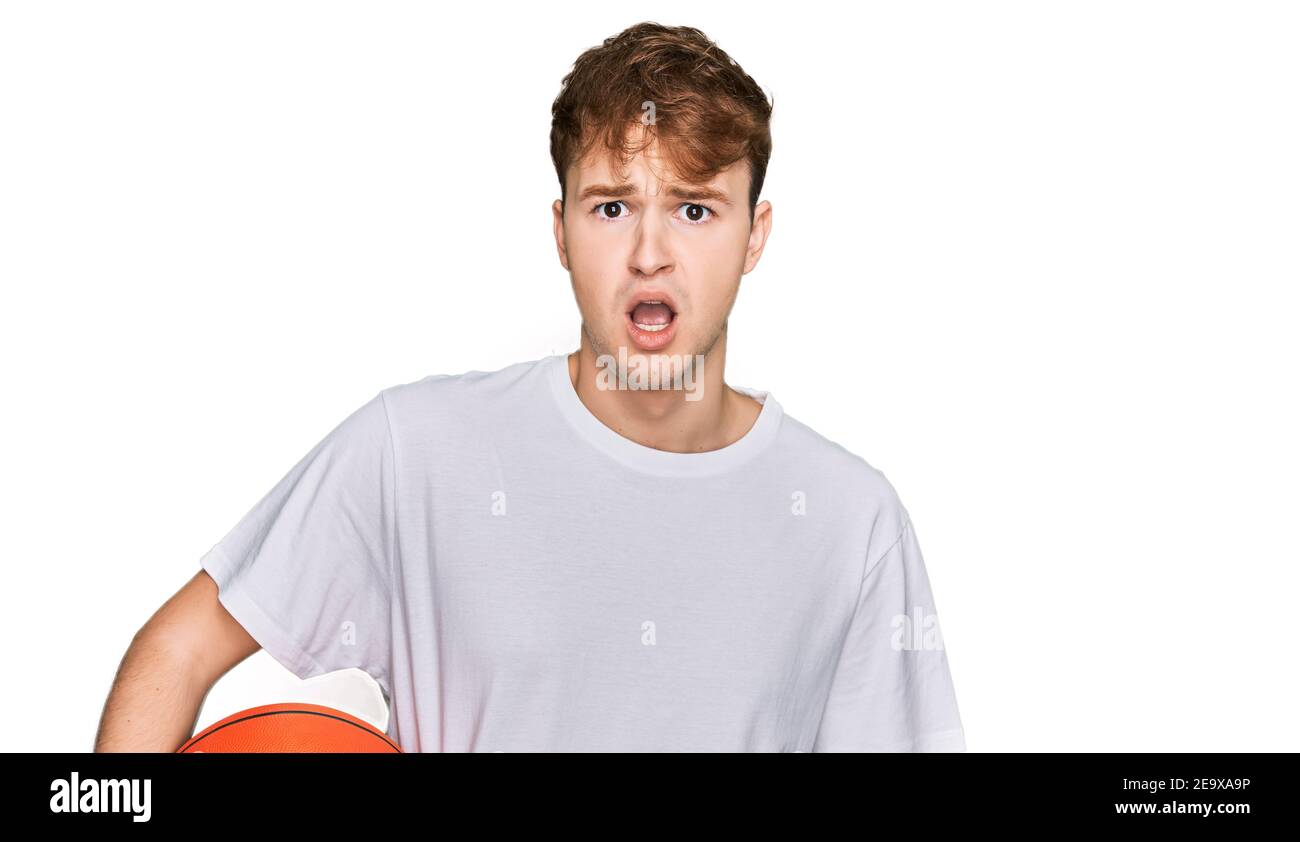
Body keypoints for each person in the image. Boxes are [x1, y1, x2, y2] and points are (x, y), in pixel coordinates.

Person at [96, 21, 965, 752]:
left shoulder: (853, 523)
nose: (650, 252)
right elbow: (175, 651)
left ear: (754, 235)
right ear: (562, 230)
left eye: (695, 208)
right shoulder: (416, 453)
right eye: (611, 206)